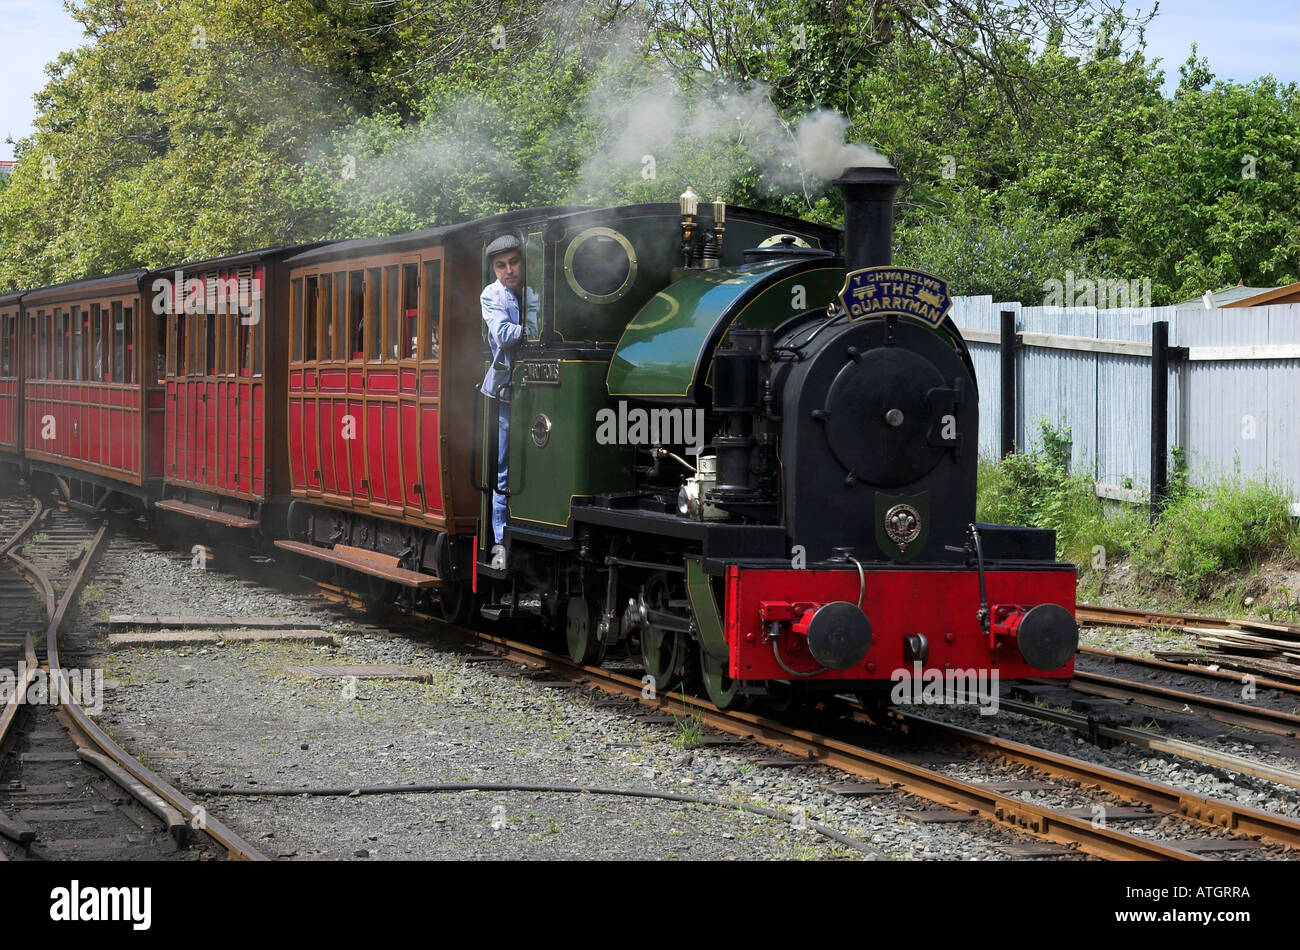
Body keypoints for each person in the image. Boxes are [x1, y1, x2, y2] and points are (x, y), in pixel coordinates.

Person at [480, 234, 539, 547]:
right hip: (505, 389)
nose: (509, 270)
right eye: (502, 265)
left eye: (514, 262)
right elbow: (503, 335)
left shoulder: (535, 291)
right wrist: (533, 331)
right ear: (494, 270)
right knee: (504, 465)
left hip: (536, 386)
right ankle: (501, 539)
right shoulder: (491, 295)